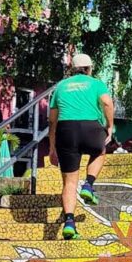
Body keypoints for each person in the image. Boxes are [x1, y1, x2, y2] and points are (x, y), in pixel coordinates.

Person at [48, 53, 114, 240]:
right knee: (100, 152)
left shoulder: (60, 86)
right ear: (89, 68)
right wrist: (110, 126)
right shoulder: (96, 84)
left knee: (69, 182)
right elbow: (107, 103)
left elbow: (52, 121)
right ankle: (89, 184)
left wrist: (52, 148)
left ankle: (69, 222)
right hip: (91, 128)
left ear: (72, 69)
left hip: (65, 130)